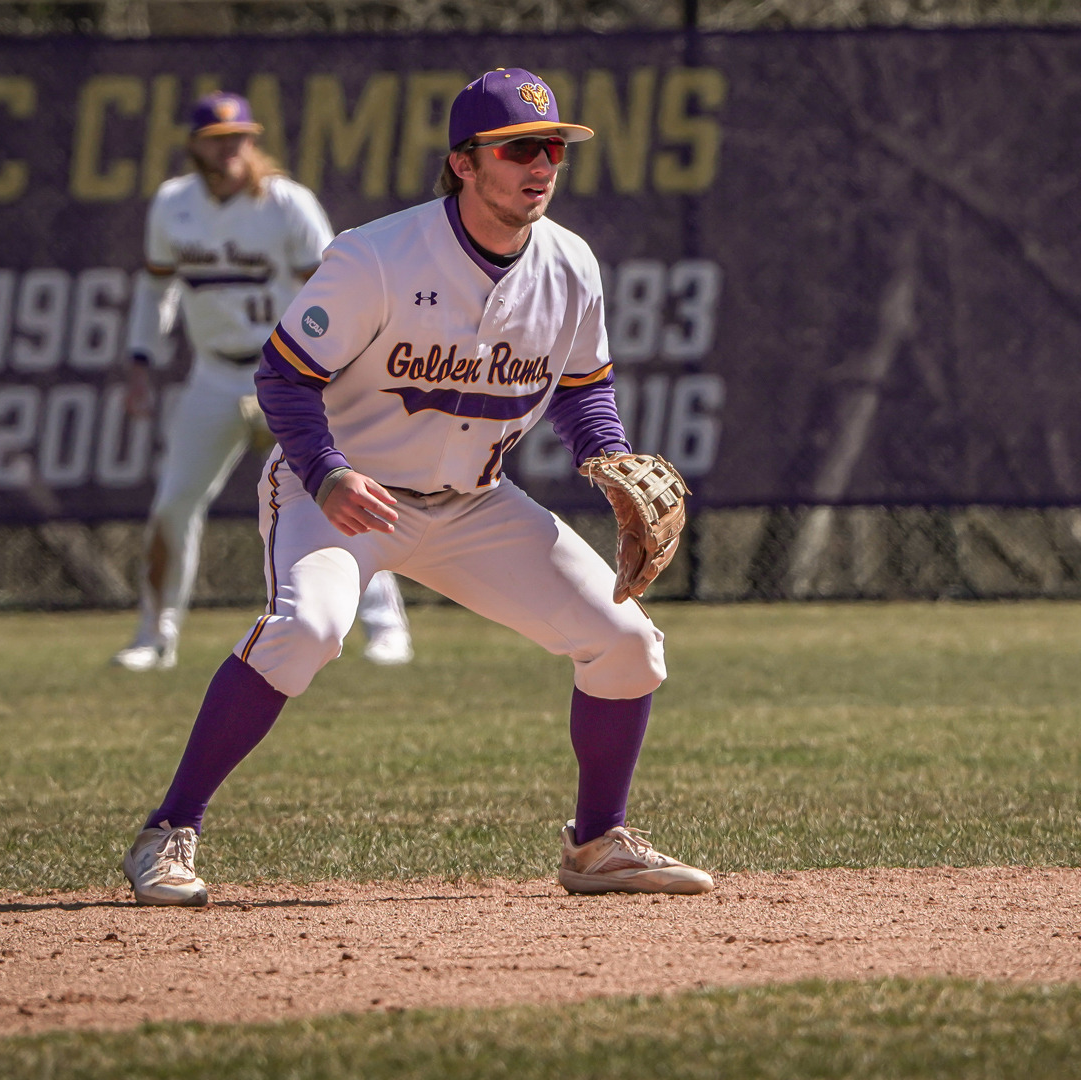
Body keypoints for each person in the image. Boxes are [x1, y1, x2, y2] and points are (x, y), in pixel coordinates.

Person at [122, 68, 713, 905]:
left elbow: (583, 388)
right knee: (308, 630)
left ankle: (597, 844)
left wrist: (608, 456)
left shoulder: (571, 264)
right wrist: (325, 476)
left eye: (553, 148)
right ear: (464, 163)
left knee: (627, 644)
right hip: (342, 495)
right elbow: (285, 378)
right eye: (518, 150)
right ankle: (169, 829)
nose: (542, 164)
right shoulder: (379, 255)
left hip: (472, 501)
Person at [113, 91, 412, 673]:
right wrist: (141, 361)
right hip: (215, 373)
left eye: (241, 137)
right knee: (174, 506)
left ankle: (385, 626)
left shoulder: (285, 204)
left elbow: (334, 290)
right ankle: (156, 635)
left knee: (341, 493)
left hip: (289, 374)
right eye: (218, 139)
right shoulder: (173, 205)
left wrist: (337, 369)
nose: (231, 149)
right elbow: (156, 290)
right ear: (194, 145)